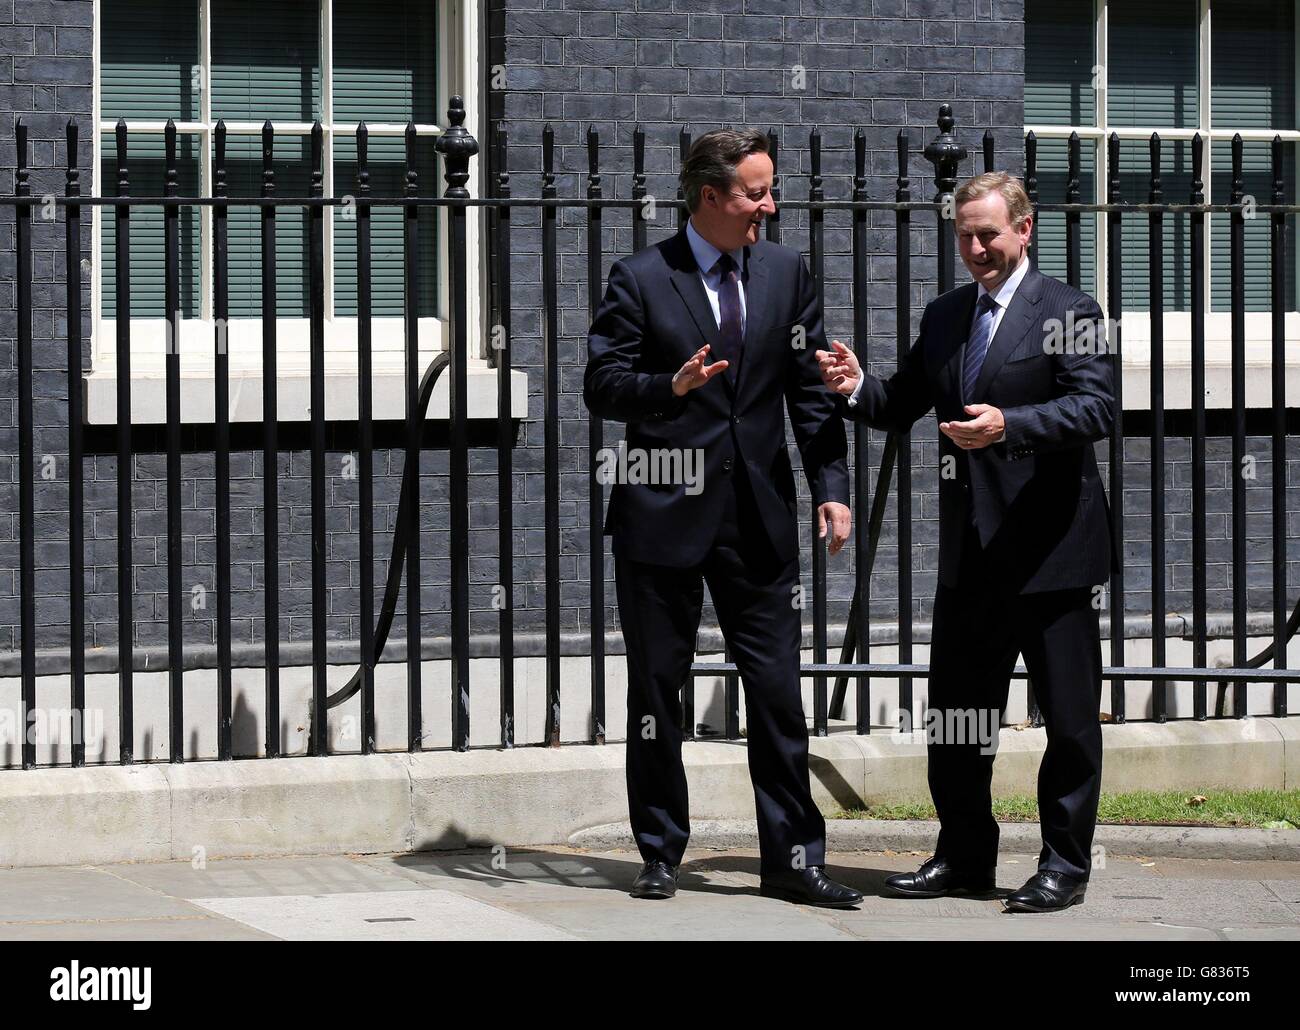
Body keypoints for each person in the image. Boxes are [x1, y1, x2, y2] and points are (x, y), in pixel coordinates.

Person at [816, 171, 1116, 912]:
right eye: (964, 235)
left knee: (1070, 723)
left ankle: (1064, 866)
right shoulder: (947, 314)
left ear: (1024, 228)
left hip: (1051, 552)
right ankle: (963, 855)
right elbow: (900, 401)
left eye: (988, 233)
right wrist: (855, 388)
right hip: (972, 554)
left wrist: (1010, 428)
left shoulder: (1070, 310)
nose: (976, 247)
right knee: (958, 718)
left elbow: (1096, 406)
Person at [584, 128, 861, 907]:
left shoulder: (784, 272)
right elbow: (601, 385)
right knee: (658, 692)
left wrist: (830, 487)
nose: (769, 207)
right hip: (662, 512)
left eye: (770, 190)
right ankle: (661, 851)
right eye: (755, 193)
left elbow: (809, 393)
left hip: (759, 518)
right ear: (710, 197)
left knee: (777, 691)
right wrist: (664, 388)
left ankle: (796, 859)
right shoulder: (641, 277)